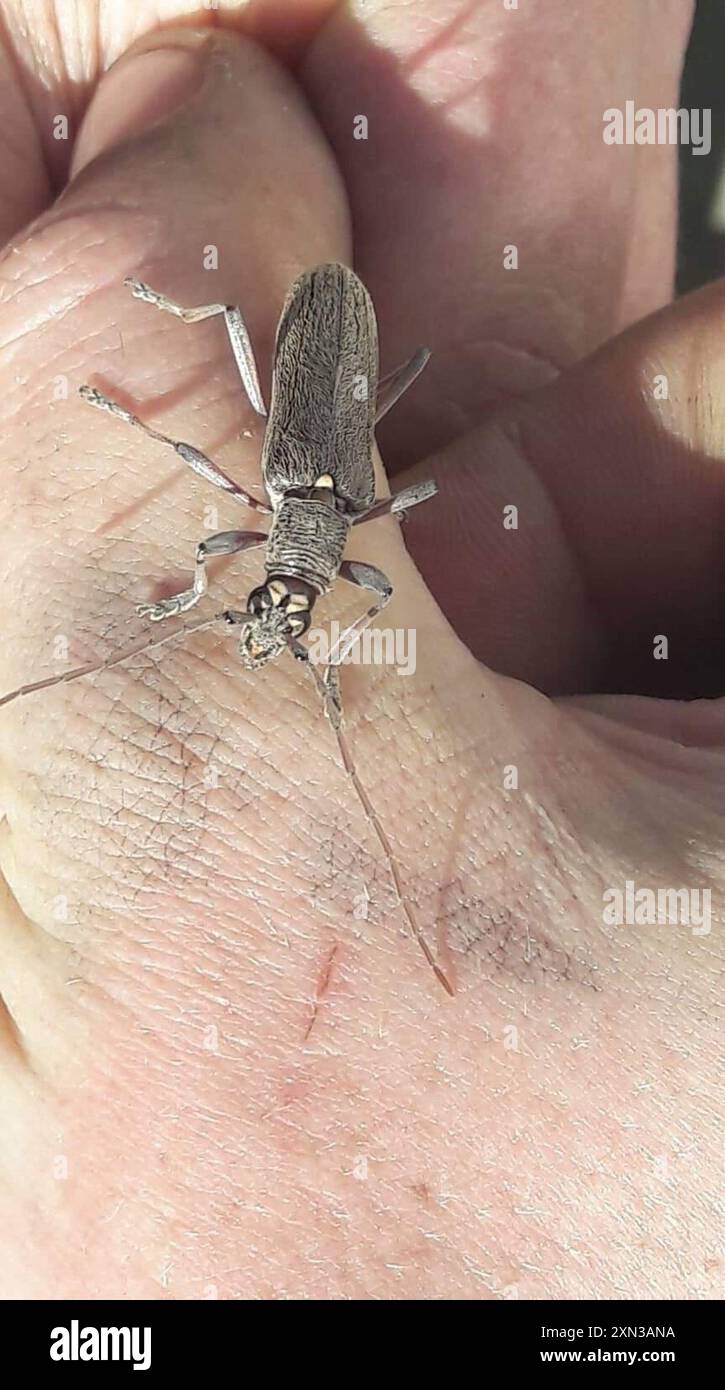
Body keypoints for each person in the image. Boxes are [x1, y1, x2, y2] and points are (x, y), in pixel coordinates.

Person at [0, 2, 719, 1300]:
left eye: (280, 601)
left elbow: (344, 559)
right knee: (246, 433)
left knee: (250, 443)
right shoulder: (323, 535)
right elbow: (337, 558)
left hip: (323, 382)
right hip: (329, 376)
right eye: (289, 603)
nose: (280, 605)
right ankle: (157, 309)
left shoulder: (313, 529)